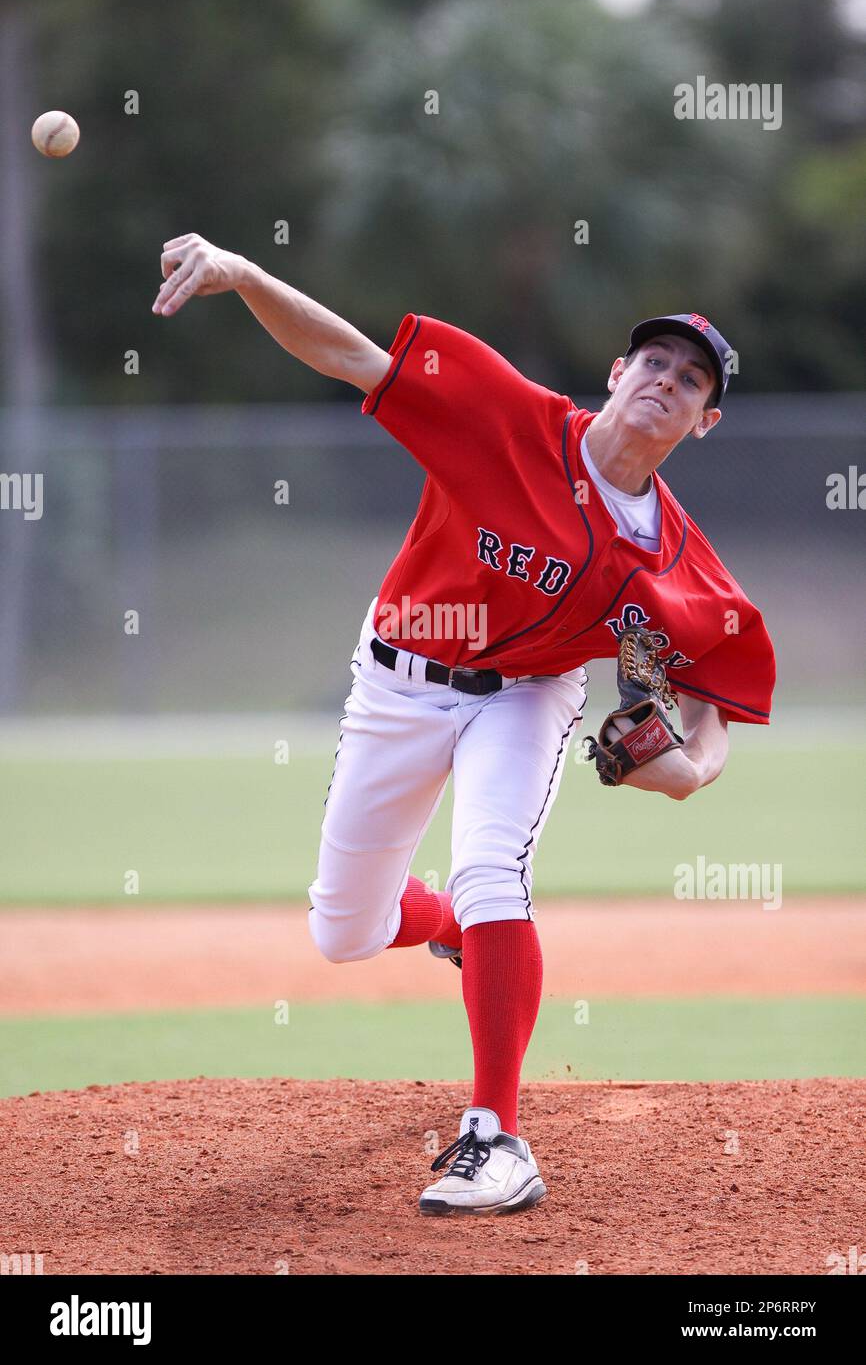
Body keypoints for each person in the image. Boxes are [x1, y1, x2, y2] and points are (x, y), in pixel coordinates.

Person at [153, 236, 776, 1216]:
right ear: (615, 375)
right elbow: (353, 356)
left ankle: (495, 1137)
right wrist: (244, 275)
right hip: (396, 680)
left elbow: (706, 718)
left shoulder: (678, 570)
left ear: (704, 421)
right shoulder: (505, 415)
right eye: (652, 360)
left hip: (523, 696)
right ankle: (446, 926)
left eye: (691, 377)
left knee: (495, 869)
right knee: (342, 931)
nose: (666, 378)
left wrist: (682, 772)